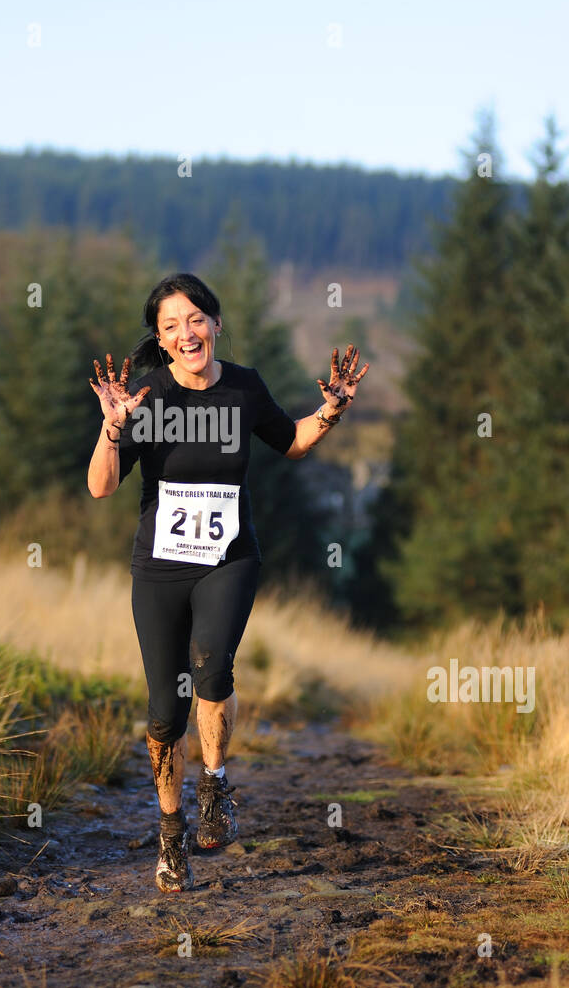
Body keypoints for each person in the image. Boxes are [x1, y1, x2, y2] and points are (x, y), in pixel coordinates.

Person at [87, 273, 369, 893]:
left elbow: (290, 442)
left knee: (212, 668)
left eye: (195, 319)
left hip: (229, 559)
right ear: (160, 343)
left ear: (215, 324)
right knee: (165, 711)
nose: (186, 333)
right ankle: (170, 834)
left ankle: (215, 786)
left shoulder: (244, 387)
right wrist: (112, 427)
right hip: (159, 568)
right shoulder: (147, 398)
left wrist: (332, 410)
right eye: (170, 326)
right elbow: (101, 487)